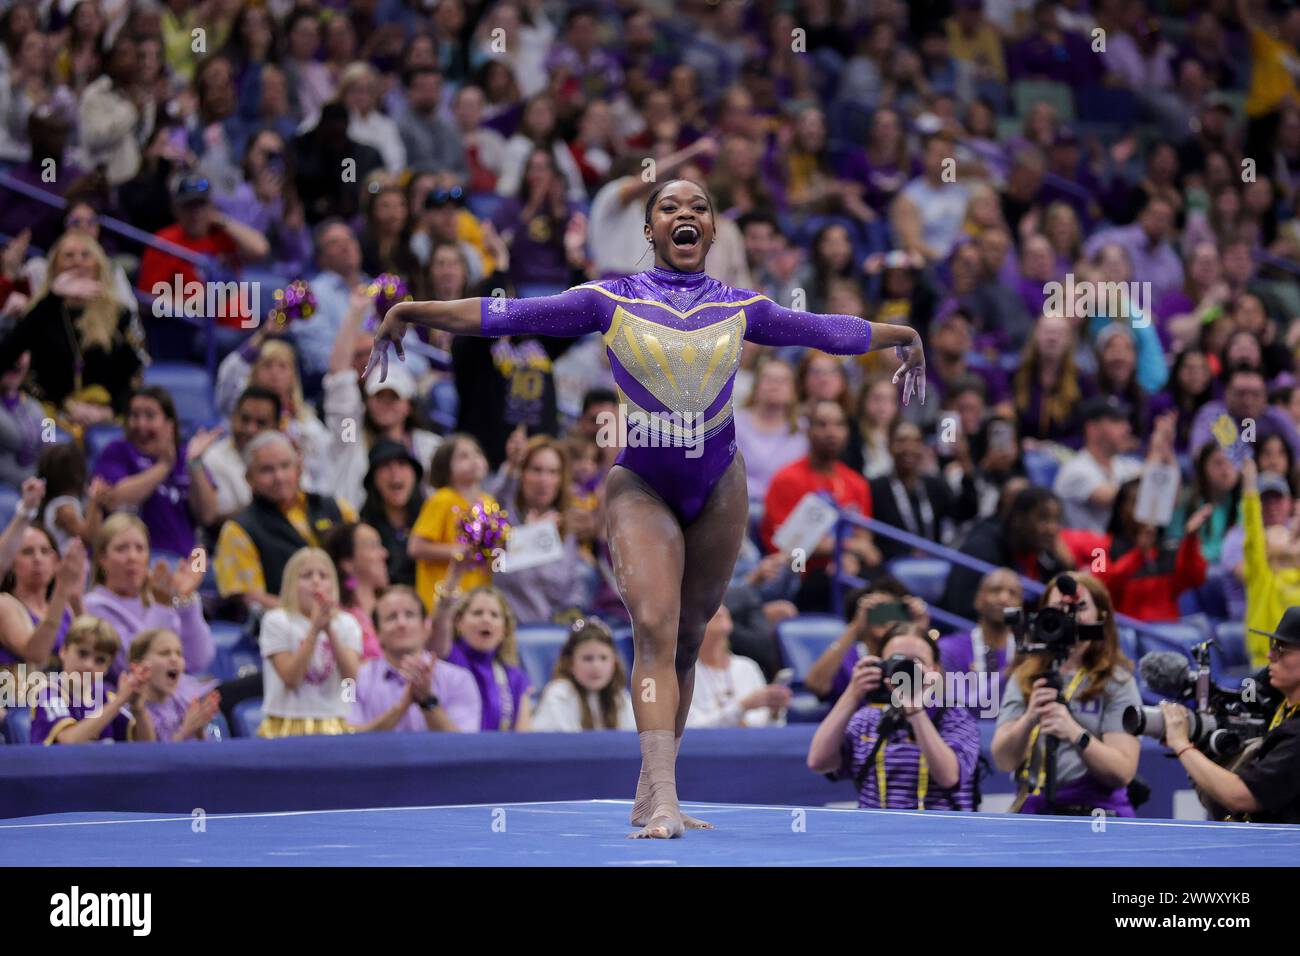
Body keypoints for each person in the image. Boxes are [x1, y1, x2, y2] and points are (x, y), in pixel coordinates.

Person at [365, 177, 924, 838]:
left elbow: (824, 330)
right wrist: (411, 312)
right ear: (650, 231)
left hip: (720, 481)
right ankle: (662, 796)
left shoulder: (744, 306)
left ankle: (652, 791)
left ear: (712, 233)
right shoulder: (608, 298)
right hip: (642, 483)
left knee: (689, 638)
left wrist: (901, 333)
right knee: (655, 626)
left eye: (699, 208)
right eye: (669, 207)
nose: (685, 214)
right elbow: (504, 315)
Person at [992, 572, 1142, 816]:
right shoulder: (1025, 678)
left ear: (1100, 617)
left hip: (1096, 812)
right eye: (1058, 607)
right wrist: (1029, 718)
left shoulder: (1116, 682)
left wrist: (1073, 731)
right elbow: (1003, 761)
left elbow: (1122, 771)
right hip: (1033, 810)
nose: (1068, 616)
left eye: (1078, 607)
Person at [807, 622, 982, 810]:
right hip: (876, 835)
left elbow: (949, 777)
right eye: (896, 660)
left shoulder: (955, 717)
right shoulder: (867, 719)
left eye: (916, 662)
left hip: (939, 835)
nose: (905, 670)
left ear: (935, 670)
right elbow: (818, 762)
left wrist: (915, 712)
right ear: (882, 667)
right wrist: (852, 693)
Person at [1160, 606, 1300, 823]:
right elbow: (1244, 696)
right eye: (1273, 645)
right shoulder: (1274, 694)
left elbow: (1241, 796)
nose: (1270, 655)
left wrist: (1181, 744)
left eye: (1282, 649)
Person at [0, 231, 146, 427]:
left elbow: (134, 374)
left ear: (98, 266)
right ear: (55, 267)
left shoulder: (119, 313)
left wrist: (109, 410)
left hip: (105, 417)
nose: (78, 262)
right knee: (49, 445)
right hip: (47, 417)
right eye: (68, 256)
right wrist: (52, 298)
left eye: (86, 255)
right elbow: (8, 357)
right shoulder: (39, 312)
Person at [213, 431, 357, 613]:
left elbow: (367, 564)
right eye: (267, 470)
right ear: (249, 479)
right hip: (289, 627)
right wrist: (312, 613)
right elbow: (252, 599)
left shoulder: (337, 508)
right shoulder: (238, 530)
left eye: (285, 466)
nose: (279, 477)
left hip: (349, 618)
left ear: (299, 468)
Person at [91, 387, 221, 556]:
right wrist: (163, 466)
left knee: (211, 573)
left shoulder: (186, 457)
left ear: (169, 424)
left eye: (149, 416)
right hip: (136, 559)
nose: (140, 424)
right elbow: (116, 497)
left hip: (187, 560)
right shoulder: (117, 452)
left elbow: (208, 515)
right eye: (134, 415)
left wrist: (195, 464)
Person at [83, 513, 214, 682]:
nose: (132, 557)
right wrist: (161, 608)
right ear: (102, 558)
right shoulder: (93, 607)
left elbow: (198, 660)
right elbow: (134, 665)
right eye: (121, 548)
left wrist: (185, 600)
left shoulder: (157, 601)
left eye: (140, 548)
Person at [256, 547, 362, 737]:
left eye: (323, 575)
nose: (316, 581)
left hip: (335, 724)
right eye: (306, 576)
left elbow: (350, 680)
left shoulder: (347, 623)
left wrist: (329, 629)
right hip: (286, 726)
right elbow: (291, 679)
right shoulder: (276, 620)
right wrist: (314, 629)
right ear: (290, 584)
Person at [488, 435, 593, 624]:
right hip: (507, 629)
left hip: (553, 632)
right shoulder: (501, 515)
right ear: (522, 473)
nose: (544, 479)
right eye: (536, 470)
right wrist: (532, 536)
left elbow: (569, 588)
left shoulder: (564, 525)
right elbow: (504, 578)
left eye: (553, 472)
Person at [348, 585, 480, 733]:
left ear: (426, 627)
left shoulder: (460, 679)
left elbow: (464, 746)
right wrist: (400, 707)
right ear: (377, 632)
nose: (401, 623)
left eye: (409, 615)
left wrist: (427, 700)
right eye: (391, 617)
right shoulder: (353, 679)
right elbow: (348, 739)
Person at [429, 566, 533, 732]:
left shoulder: (515, 677)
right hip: (452, 753)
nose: (486, 620)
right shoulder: (448, 657)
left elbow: (523, 737)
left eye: (494, 615)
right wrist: (455, 573)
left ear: (505, 629)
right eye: (477, 613)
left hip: (499, 756)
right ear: (458, 623)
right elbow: (438, 623)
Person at [409, 433, 496, 613]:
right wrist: (459, 551)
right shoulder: (442, 499)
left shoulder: (489, 502)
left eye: (477, 453)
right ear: (445, 466)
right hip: (439, 600)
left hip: (477, 599)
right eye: (463, 456)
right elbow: (415, 547)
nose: (474, 460)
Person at [30, 616, 152, 744]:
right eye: (82, 653)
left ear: (107, 668)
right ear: (64, 651)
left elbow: (146, 746)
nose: (88, 665)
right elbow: (68, 741)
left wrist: (138, 707)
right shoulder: (48, 692)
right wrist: (120, 700)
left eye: (100, 660)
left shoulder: (107, 698)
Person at [803, 577, 925, 701]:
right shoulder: (847, 657)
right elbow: (815, 684)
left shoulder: (912, 656)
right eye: (878, 611)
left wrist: (919, 630)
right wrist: (855, 626)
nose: (885, 620)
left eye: (891, 611)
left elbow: (937, 690)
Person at [685, 604, 791, 728]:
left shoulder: (747, 667)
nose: (719, 609)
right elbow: (692, 729)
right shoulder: (685, 672)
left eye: (722, 604)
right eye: (709, 604)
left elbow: (769, 728)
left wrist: (774, 713)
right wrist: (742, 707)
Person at [937, 567, 1023, 714]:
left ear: (1020, 605)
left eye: (1012, 593)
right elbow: (959, 706)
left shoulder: (1026, 651)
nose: (1004, 598)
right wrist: (1009, 672)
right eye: (995, 590)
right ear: (978, 599)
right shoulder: (949, 648)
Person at [1052, 395, 1144, 532]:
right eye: (1116, 421)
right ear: (1092, 428)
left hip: (1116, 549)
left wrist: (1165, 453)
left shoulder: (1127, 465)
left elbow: (1169, 498)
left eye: (1126, 421)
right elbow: (1115, 498)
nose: (1127, 428)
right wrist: (1155, 458)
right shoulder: (1075, 469)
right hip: (1088, 551)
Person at [532, 617, 636, 732]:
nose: (596, 666)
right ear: (570, 663)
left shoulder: (620, 696)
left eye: (603, 658)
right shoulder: (559, 694)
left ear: (615, 662)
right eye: (587, 658)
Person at [200, 385, 281, 522]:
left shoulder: (285, 455)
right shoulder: (212, 459)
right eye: (245, 419)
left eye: (261, 423)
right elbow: (215, 520)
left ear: (277, 427)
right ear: (233, 418)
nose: (250, 429)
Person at [128, 628, 221, 743]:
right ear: (138, 664)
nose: (174, 659)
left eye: (179, 653)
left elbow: (206, 755)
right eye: (164, 653)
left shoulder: (182, 702)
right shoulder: (132, 712)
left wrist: (199, 729)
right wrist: (185, 730)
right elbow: (152, 757)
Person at [358, 440, 426, 588]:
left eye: (402, 464)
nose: (395, 473)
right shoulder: (362, 528)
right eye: (385, 466)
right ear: (373, 479)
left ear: (415, 475)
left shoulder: (432, 518)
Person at [324, 521, 388, 661]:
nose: (384, 553)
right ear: (347, 563)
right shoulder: (334, 615)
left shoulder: (398, 604)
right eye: (373, 546)